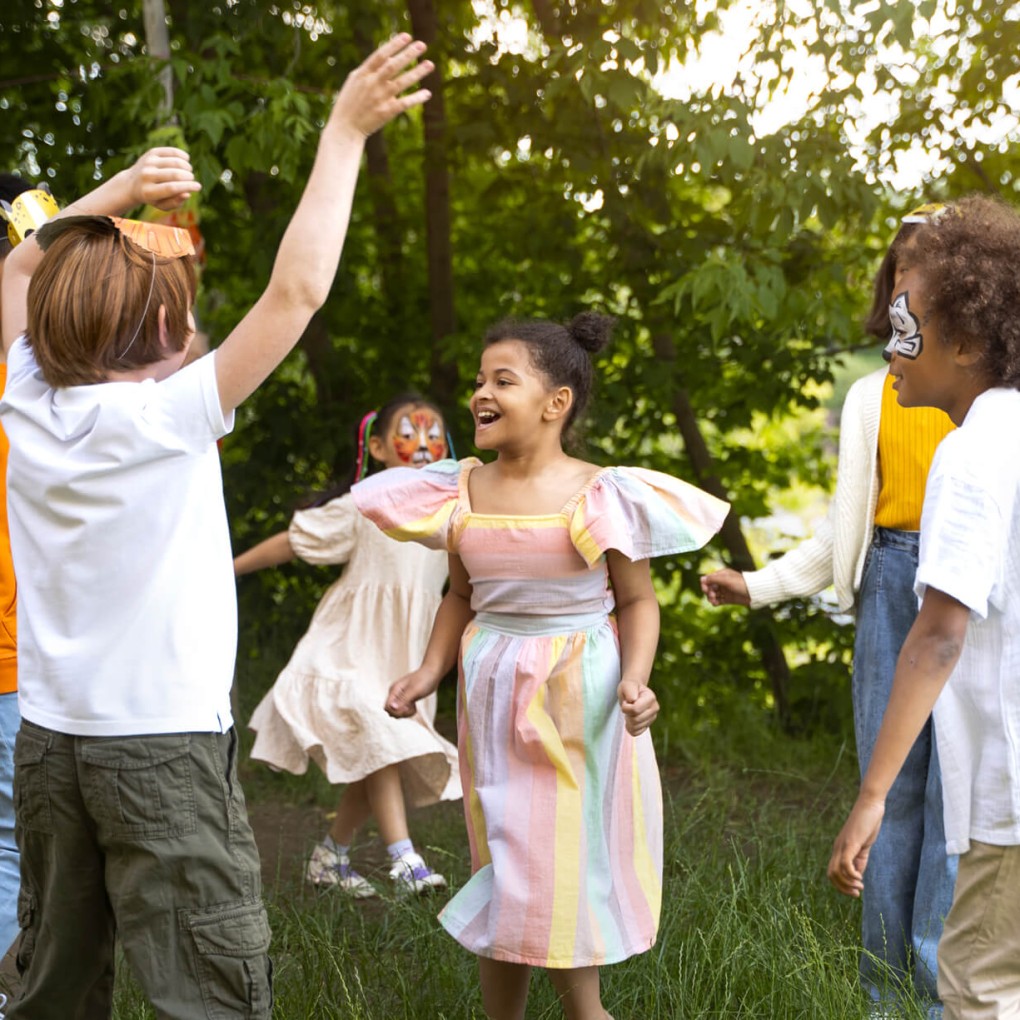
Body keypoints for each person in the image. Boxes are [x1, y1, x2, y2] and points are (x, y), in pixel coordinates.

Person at [0, 35, 432, 1019]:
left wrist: (120, 189)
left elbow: (22, 263)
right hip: (162, 753)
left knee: (55, 981)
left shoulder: (26, 396)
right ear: (165, 338)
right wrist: (344, 132)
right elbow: (297, 292)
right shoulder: (165, 419)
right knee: (209, 993)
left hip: (52, 745)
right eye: (187, 313)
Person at [352, 312, 729, 1020]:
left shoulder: (600, 492)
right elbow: (460, 597)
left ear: (557, 402)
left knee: (558, 859)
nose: (480, 393)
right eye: (478, 380)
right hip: (493, 690)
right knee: (503, 854)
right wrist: (428, 671)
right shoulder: (462, 489)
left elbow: (638, 601)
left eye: (503, 380)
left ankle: (587, 1013)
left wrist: (636, 680)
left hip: (577, 696)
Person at [700, 208, 957, 1016]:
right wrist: (759, 584)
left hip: (968, 588)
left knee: (956, 797)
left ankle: (940, 994)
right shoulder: (871, 396)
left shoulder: (991, 395)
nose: (912, 283)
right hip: (891, 580)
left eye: (931, 269)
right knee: (893, 790)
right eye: (902, 269)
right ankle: (884, 995)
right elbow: (847, 529)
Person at [828, 194, 1020, 1020]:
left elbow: (938, 638)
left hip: (1008, 792)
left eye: (907, 326)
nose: (890, 346)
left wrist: (870, 797)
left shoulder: (971, 451)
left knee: (977, 992)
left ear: (968, 342)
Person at [235, 393, 460, 897]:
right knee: (378, 733)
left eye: (434, 435)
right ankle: (404, 860)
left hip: (407, 651)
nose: (424, 446)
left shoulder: (454, 510)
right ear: (377, 448)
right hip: (352, 646)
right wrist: (229, 571)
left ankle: (331, 857)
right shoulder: (367, 503)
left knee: (381, 752)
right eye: (409, 434)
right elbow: (294, 542)